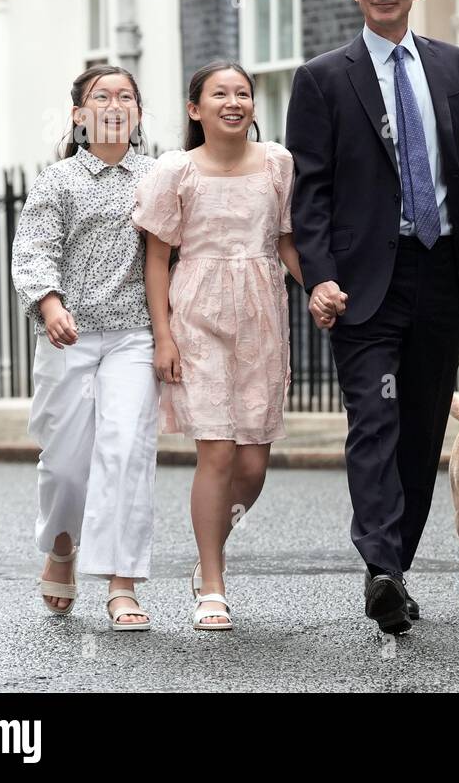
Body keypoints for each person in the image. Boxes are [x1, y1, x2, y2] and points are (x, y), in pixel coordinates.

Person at [285, 0, 459, 635]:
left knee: (422, 427)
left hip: (443, 272)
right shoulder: (324, 78)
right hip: (365, 281)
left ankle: (388, 569)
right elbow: (312, 193)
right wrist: (320, 277)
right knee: (375, 417)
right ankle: (383, 564)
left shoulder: (452, 67)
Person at [132, 61, 303, 631]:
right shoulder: (174, 170)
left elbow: (285, 241)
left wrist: (322, 288)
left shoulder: (278, 163)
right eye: (219, 94)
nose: (234, 102)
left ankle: (212, 545)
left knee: (253, 464)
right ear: (194, 109)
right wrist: (163, 336)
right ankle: (211, 580)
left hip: (261, 317)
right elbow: (157, 259)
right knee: (219, 452)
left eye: (243, 93)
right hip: (197, 316)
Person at [11, 64, 159, 631]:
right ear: (79, 116)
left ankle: (122, 584)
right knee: (66, 466)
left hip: (134, 338)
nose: (115, 104)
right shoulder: (58, 181)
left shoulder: (160, 177)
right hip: (67, 335)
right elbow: (33, 252)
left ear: (138, 114)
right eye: (102, 97)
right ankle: (62, 544)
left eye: (126, 96)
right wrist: (51, 306)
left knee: (126, 452)